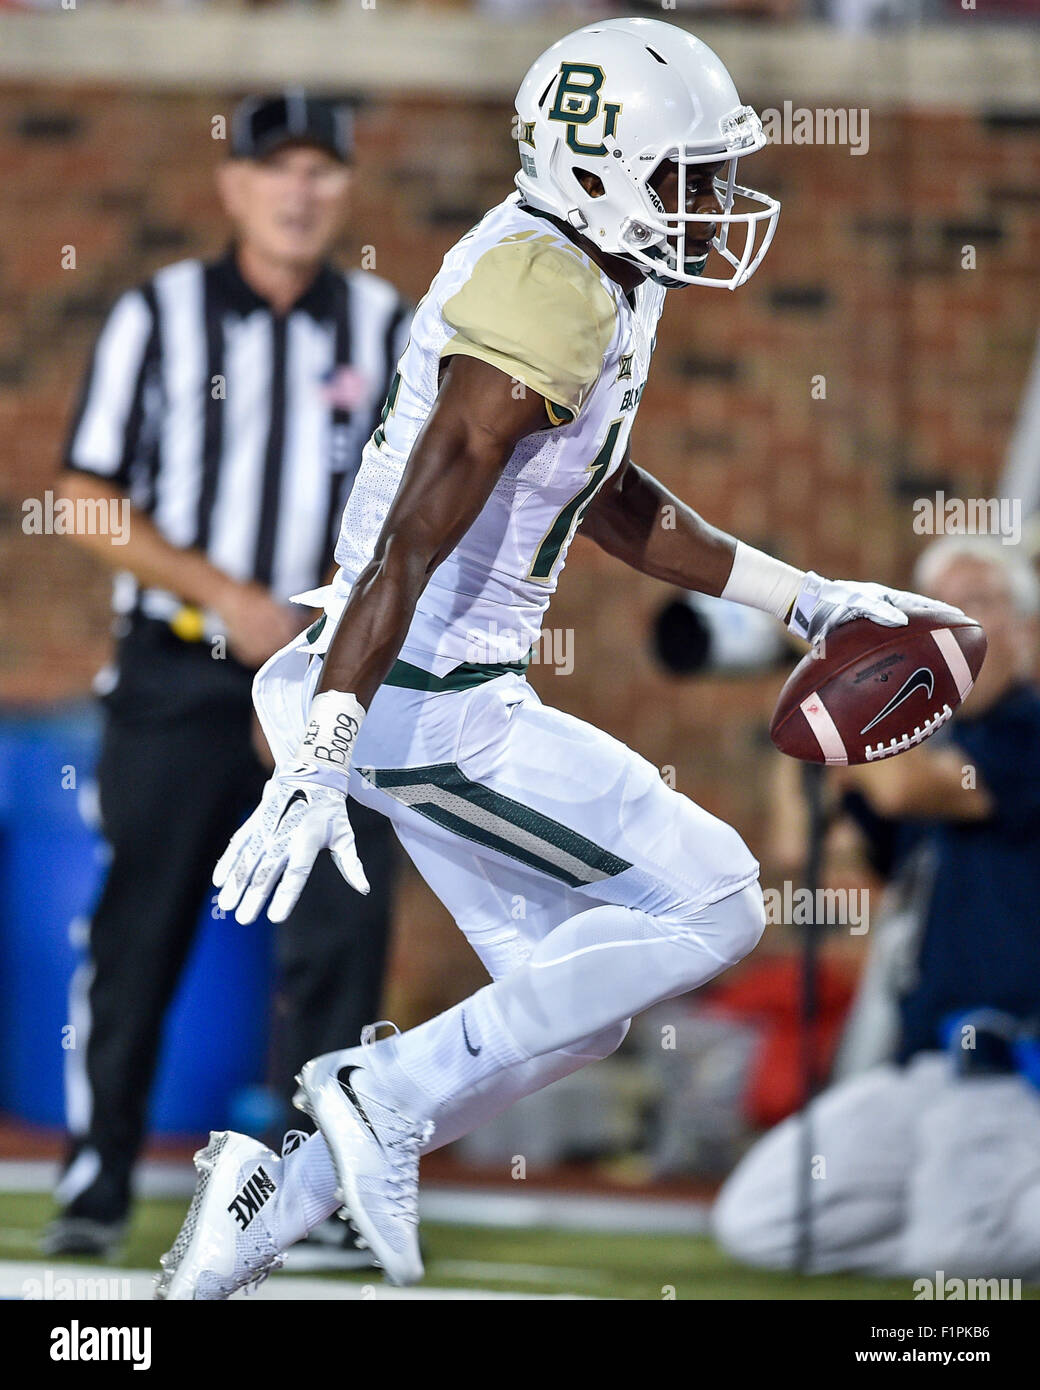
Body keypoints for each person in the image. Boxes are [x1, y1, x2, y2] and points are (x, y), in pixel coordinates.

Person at [152, 17, 963, 1298]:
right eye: (691, 176)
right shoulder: (547, 285)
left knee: (568, 1008)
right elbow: (409, 546)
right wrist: (319, 752)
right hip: (418, 701)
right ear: (602, 169)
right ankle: (376, 1086)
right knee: (715, 900)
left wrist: (805, 599)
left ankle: (262, 1205)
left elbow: (603, 493)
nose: (716, 204)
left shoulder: (588, 273)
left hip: (416, 686)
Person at [44, 92, 409, 1258]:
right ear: (235, 188)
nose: (300, 191)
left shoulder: (393, 326)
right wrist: (225, 599)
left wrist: (318, 641)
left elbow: (423, 509)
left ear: (344, 190)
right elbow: (87, 499)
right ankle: (98, 1174)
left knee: (343, 930)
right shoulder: (159, 316)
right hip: (180, 666)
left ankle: (322, 1185)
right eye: (277, 169)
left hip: (328, 674)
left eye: (321, 170)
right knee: (141, 917)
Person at [712, 536, 1040, 1277]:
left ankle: (956, 1235)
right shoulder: (929, 740)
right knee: (760, 1223)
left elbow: (901, 787)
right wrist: (804, 700)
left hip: (1009, 1068)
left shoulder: (1025, 728)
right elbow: (805, 852)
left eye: (978, 602)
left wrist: (850, 682)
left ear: (1024, 630)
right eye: (942, 606)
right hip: (919, 1065)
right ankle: (952, 1227)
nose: (960, 621)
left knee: (955, 1257)